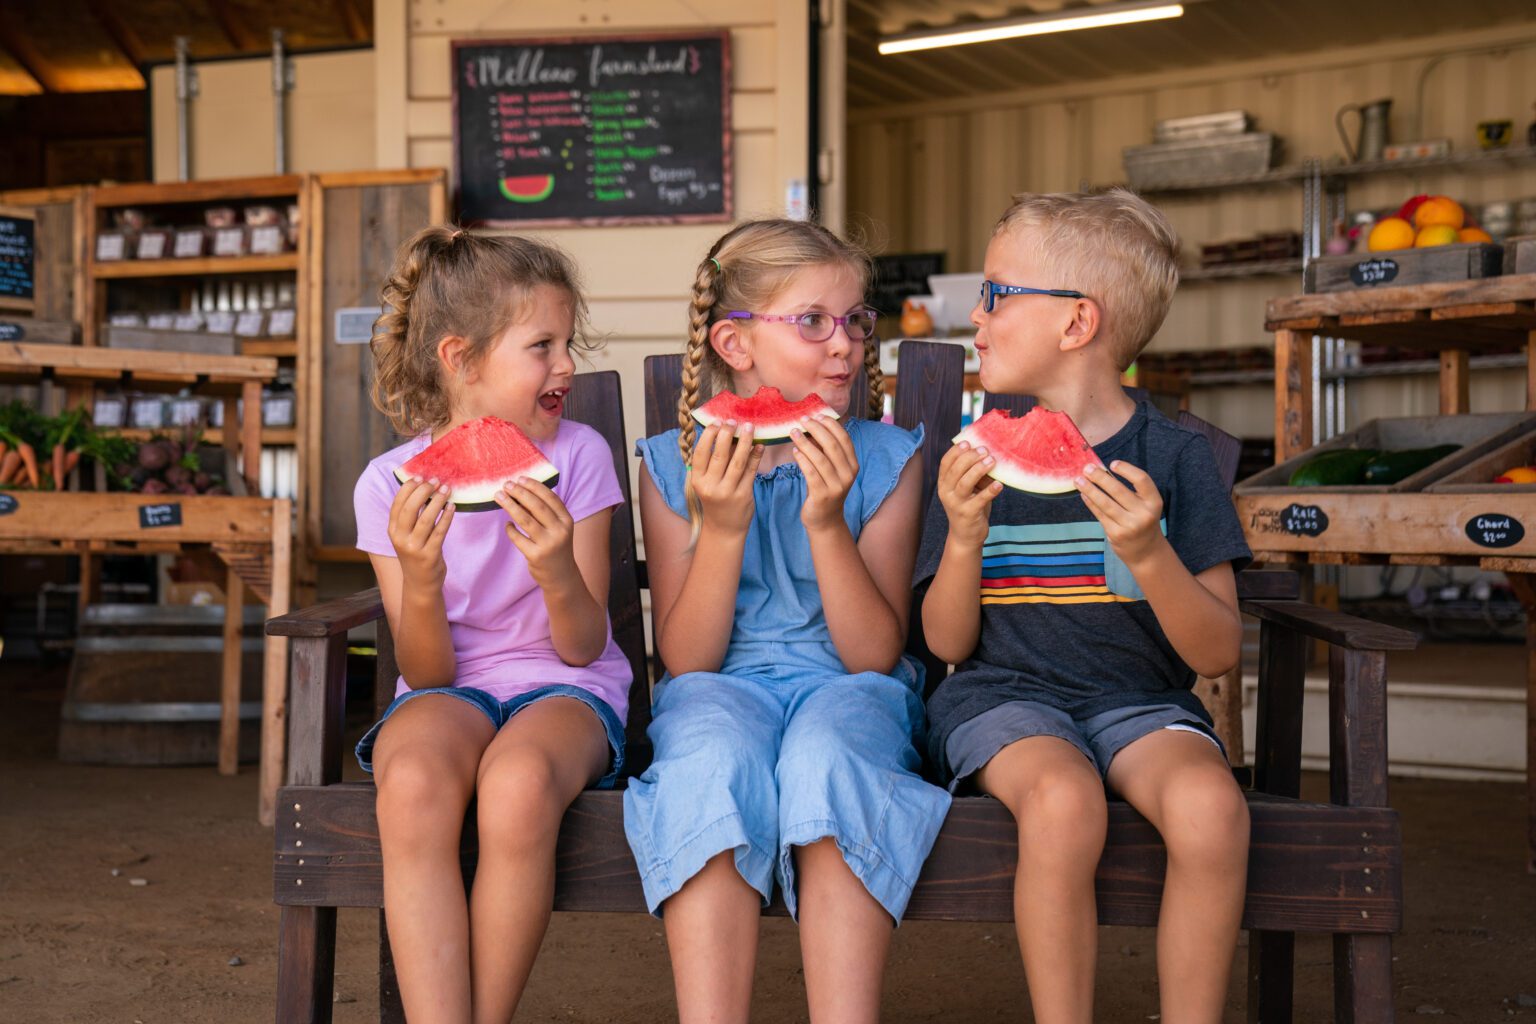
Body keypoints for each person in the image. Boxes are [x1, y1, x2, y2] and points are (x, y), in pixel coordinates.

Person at [917, 189, 1253, 1024]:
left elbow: (1215, 653)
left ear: (1076, 324)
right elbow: (947, 642)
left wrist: (1149, 551)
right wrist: (962, 536)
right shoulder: (973, 460)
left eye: (996, 293)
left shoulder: (1175, 460)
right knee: (1063, 802)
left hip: (1141, 702)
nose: (977, 316)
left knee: (1214, 809)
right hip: (1001, 699)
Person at [624, 219, 952, 1023]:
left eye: (854, 320)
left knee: (828, 758)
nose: (845, 344)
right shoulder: (673, 465)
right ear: (735, 344)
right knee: (708, 760)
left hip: (849, 687)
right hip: (719, 687)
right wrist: (725, 528)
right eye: (812, 321)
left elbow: (875, 655)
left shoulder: (888, 459)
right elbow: (689, 659)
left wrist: (827, 521)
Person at [352, 226, 631, 1024]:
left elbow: (583, 643)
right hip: (450, 691)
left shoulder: (577, 458)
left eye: (567, 343)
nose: (567, 366)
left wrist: (552, 565)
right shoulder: (387, 488)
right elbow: (429, 672)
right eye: (541, 346)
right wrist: (424, 576)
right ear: (460, 356)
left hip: (567, 687)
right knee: (407, 786)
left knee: (517, 786)